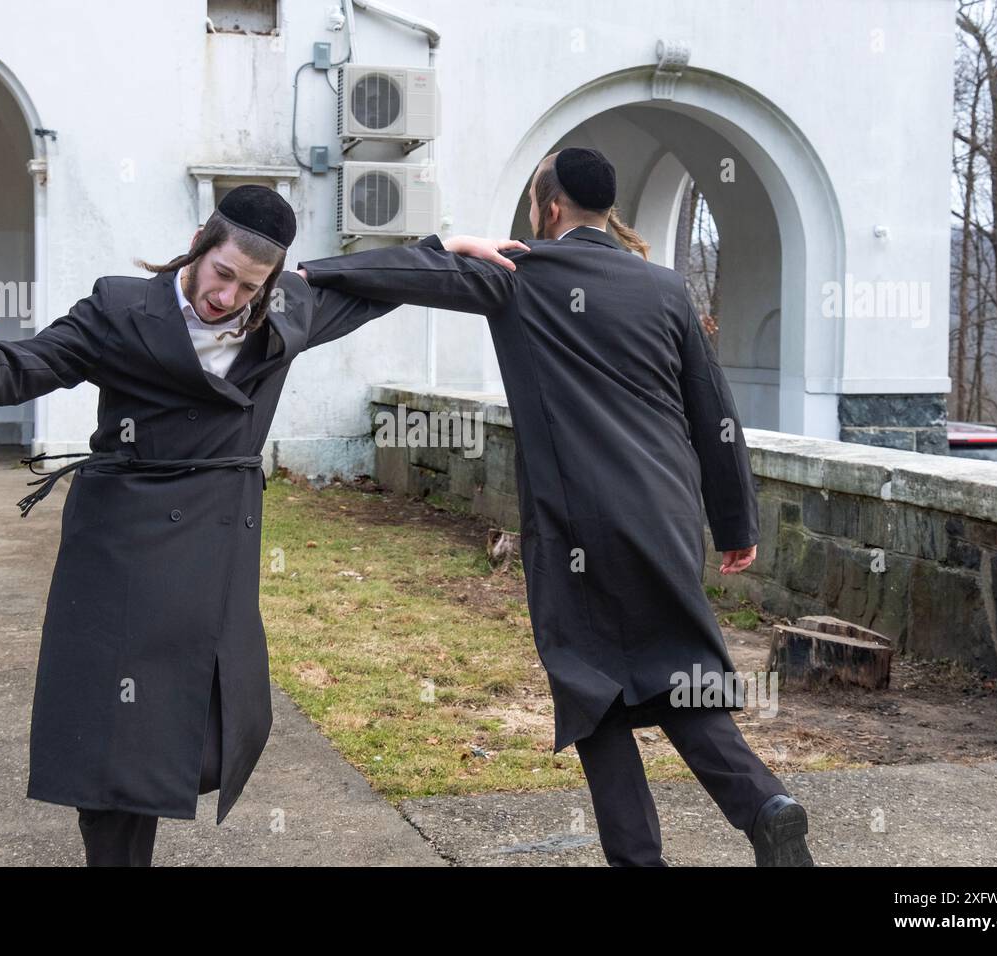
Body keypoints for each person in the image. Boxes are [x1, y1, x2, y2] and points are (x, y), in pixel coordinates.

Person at [0, 185, 487, 866]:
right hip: (120, 546)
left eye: (250, 286)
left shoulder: (284, 312)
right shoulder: (119, 307)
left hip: (214, 549)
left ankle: (143, 780)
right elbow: (32, 363)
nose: (228, 297)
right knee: (113, 741)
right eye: (222, 274)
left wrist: (440, 251)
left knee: (217, 730)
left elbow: (365, 289)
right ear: (199, 244)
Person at [296, 148, 814, 867]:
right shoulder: (666, 289)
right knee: (678, 674)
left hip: (579, 526)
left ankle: (640, 861)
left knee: (592, 688)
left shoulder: (520, 274)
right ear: (607, 211)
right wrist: (735, 523)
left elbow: (410, 278)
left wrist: (312, 273)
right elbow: (714, 416)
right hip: (668, 516)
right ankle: (766, 806)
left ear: (547, 210)